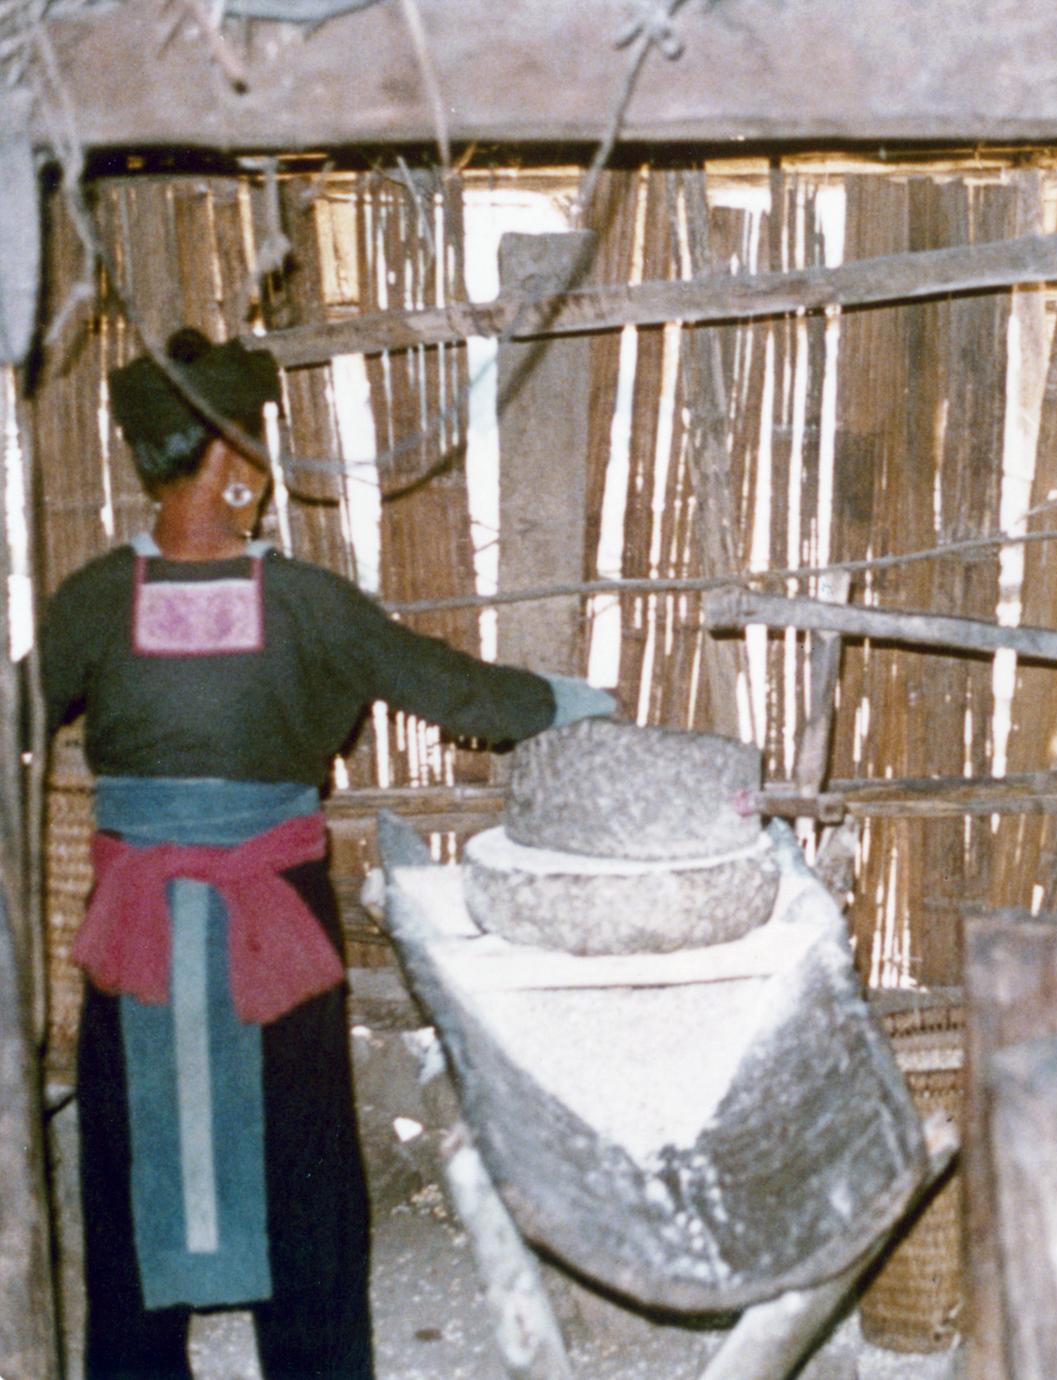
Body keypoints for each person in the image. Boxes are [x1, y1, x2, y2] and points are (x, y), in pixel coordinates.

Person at [40, 327, 616, 1379]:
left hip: (137, 939)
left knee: (132, 1174)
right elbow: (454, 691)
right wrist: (572, 703)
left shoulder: (94, 602)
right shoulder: (306, 604)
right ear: (231, 459)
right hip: (274, 934)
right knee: (301, 1174)